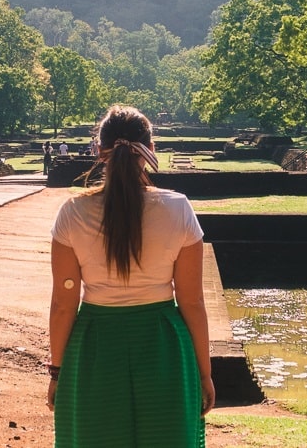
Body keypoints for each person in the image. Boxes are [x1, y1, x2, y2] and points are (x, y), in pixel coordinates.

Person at [47, 105, 214, 446]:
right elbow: (193, 301)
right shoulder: (178, 209)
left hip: (95, 345)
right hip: (163, 346)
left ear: (98, 151)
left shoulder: (72, 213)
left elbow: (64, 304)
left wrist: (57, 373)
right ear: (150, 151)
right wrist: (205, 373)